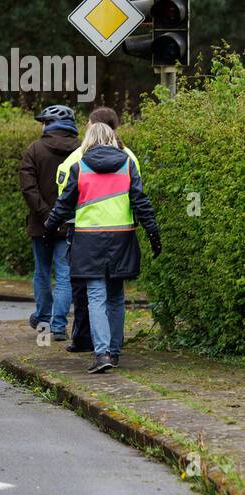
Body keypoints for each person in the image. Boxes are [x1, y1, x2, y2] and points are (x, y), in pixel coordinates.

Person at [44, 122, 159, 374]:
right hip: (122, 239)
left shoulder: (80, 167)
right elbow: (141, 201)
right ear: (112, 138)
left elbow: (64, 204)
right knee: (116, 296)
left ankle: (102, 353)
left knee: (96, 296)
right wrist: (152, 232)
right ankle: (115, 352)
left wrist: (48, 228)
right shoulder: (128, 165)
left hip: (88, 240)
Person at [54, 107, 142, 354]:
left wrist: (53, 226)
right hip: (122, 233)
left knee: (88, 293)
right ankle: (113, 349)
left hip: (83, 232)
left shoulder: (76, 159)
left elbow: (64, 197)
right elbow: (138, 197)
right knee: (115, 295)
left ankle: (89, 342)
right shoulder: (130, 158)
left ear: (92, 128)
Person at [20, 104, 79, 342]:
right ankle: (59, 326)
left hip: (40, 224)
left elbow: (28, 188)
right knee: (65, 274)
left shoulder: (34, 150)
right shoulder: (81, 151)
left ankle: (43, 318)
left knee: (42, 272)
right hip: (70, 223)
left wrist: (46, 214)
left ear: (49, 124)